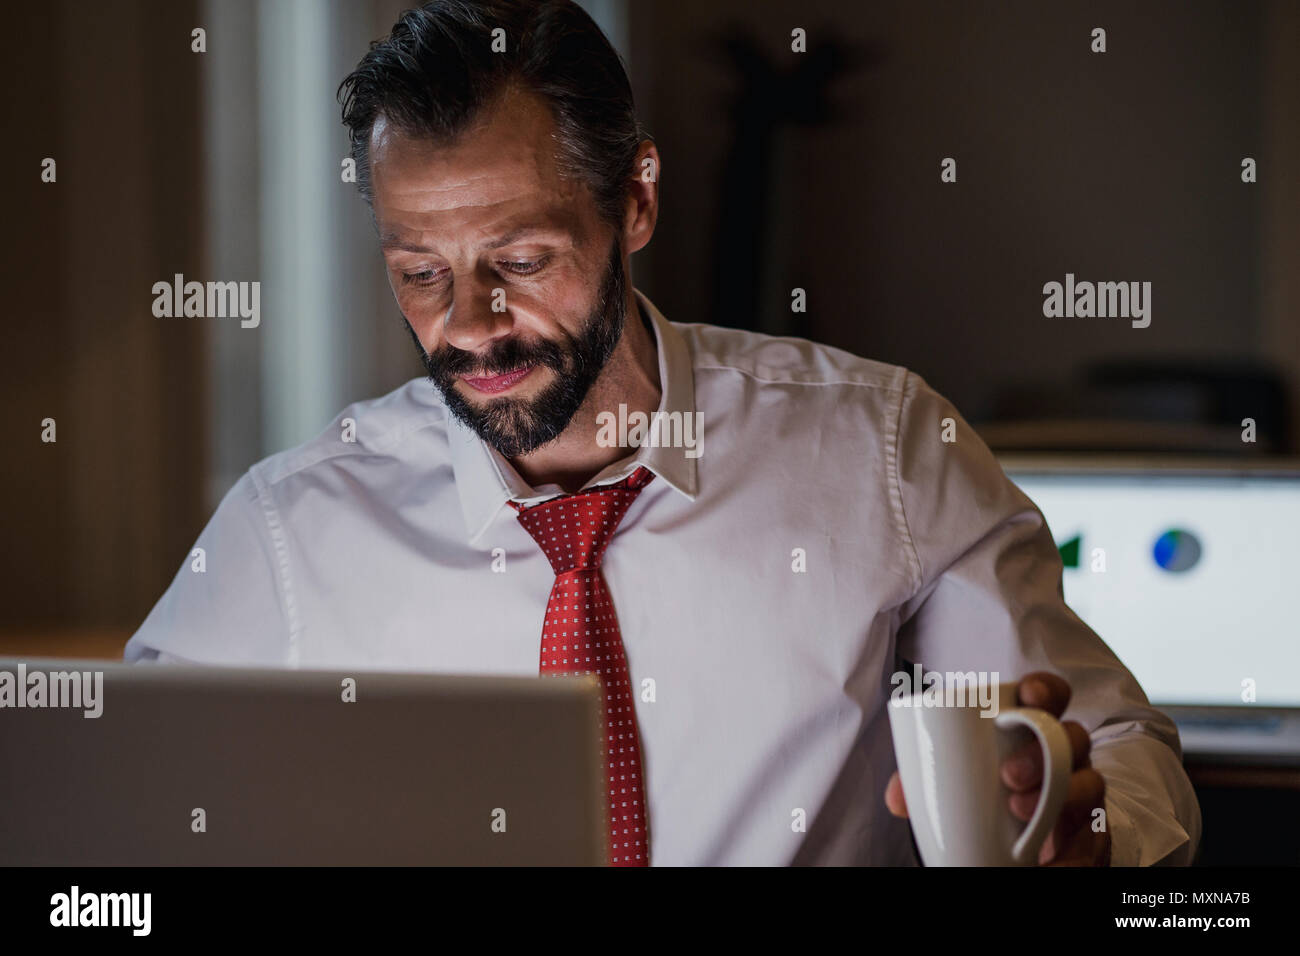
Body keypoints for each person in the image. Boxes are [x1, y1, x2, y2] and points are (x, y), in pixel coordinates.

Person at [125, 0, 1201, 867]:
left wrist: (1088, 833)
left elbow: (1117, 746)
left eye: (522, 261)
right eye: (419, 273)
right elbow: (124, 816)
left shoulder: (883, 448)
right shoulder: (291, 526)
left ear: (635, 202)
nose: (470, 325)